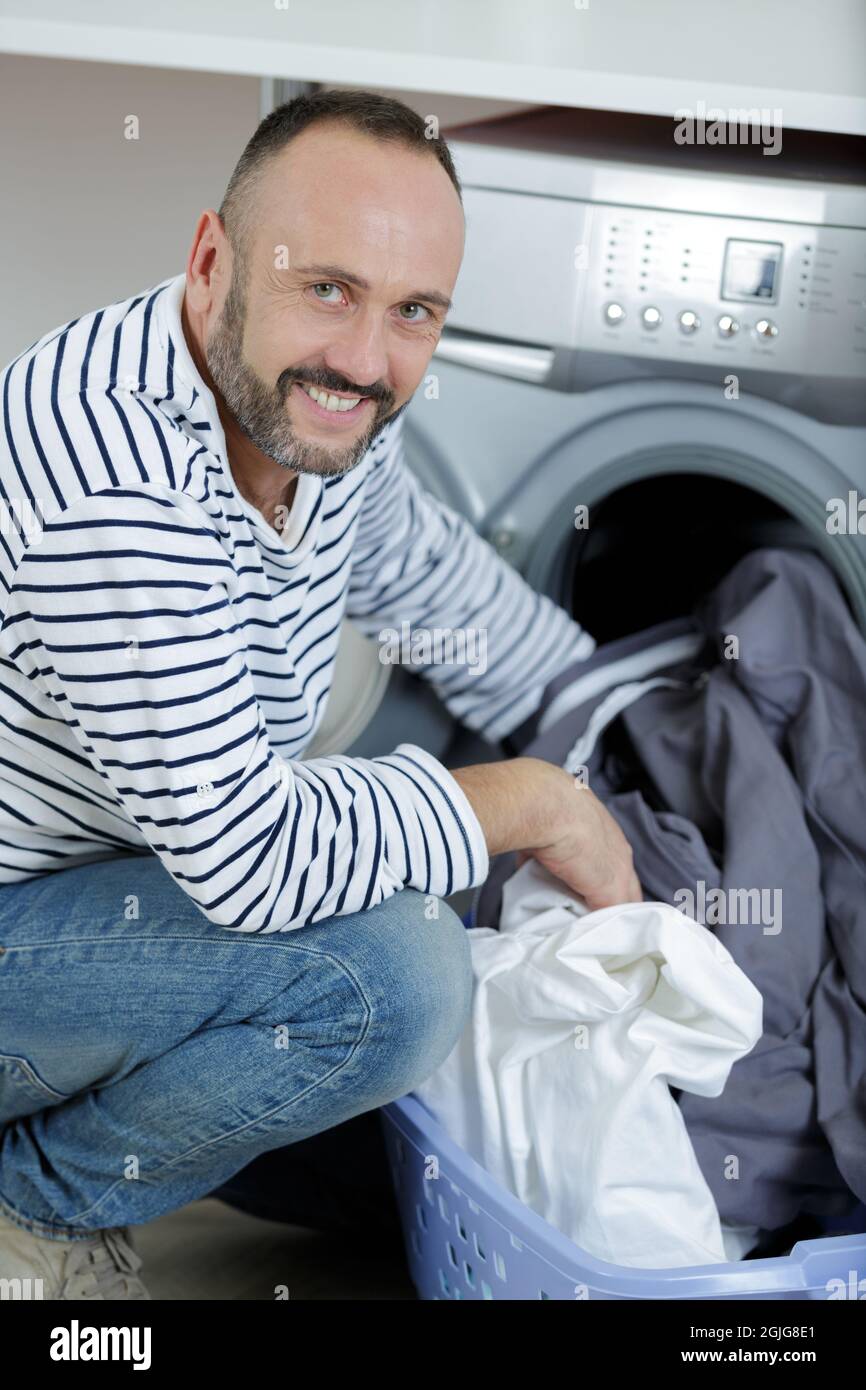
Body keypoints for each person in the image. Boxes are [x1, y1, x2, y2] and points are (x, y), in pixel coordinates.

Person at [0, 89, 640, 1300]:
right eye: (327, 287)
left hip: (120, 915)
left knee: (415, 1146)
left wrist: (617, 722)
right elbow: (247, 860)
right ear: (210, 262)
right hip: (34, 923)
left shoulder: (320, 409)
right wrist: (539, 801)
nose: (363, 358)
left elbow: (432, 581)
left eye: (413, 312)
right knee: (398, 979)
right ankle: (32, 1207)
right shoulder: (113, 484)